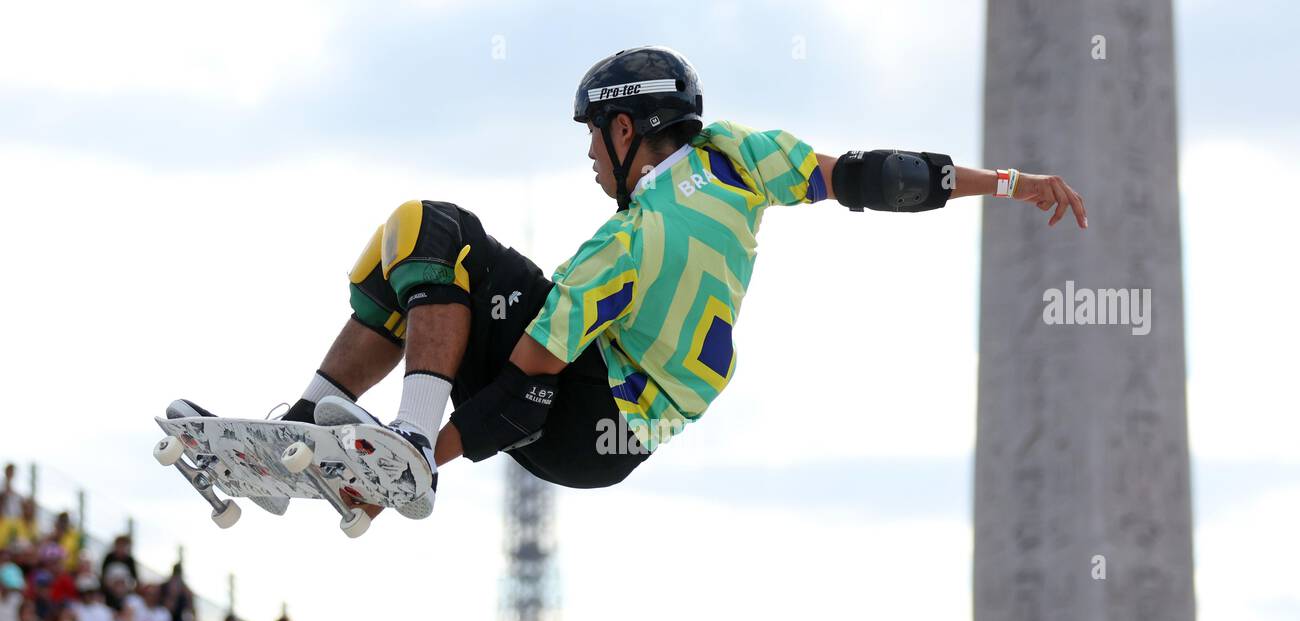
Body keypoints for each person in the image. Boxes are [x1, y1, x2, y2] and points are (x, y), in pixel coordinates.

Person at [167, 44, 1085, 524]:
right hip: (614, 438)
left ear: (626, 129)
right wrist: (1005, 183)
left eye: (591, 139)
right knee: (398, 264)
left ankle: (397, 440)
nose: (588, 161)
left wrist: (419, 464)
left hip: (573, 414)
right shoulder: (739, 158)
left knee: (430, 230)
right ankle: (308, 417)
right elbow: (873, 178)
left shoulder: (621, 251)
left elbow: (524, 398)